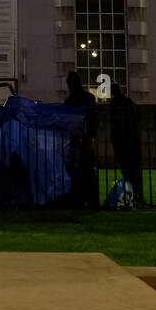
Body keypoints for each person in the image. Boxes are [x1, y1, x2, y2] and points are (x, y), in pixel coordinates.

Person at [64, 70, 100, 209]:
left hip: (77, 138)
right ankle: (92, 200)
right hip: (86, 138)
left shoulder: (70, 100)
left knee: (77, 171)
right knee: (89, 170)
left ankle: (79, 199)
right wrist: (91, 134)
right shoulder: (89, 98)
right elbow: (94, 119)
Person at [109, 81, 144, 206]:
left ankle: (132, 195)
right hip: (130, 142)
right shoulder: (129, 103)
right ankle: (137, 195)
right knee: (134, 170)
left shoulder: (115, 104)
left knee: (127, 170)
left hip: (122, 142)